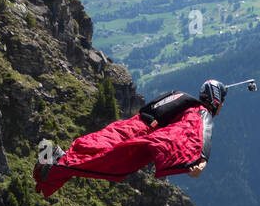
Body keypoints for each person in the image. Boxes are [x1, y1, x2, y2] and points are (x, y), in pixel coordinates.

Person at [32, 80, 226, 198]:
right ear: (216, 100)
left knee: (94, 145)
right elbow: (199, 132)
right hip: (143, 134)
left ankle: (55, 156)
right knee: (110, 164)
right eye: (221, 103)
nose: (221, 107)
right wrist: (200, 161)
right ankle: (55, 166)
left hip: (131, 124)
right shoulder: (201, 112)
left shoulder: (179, 96)